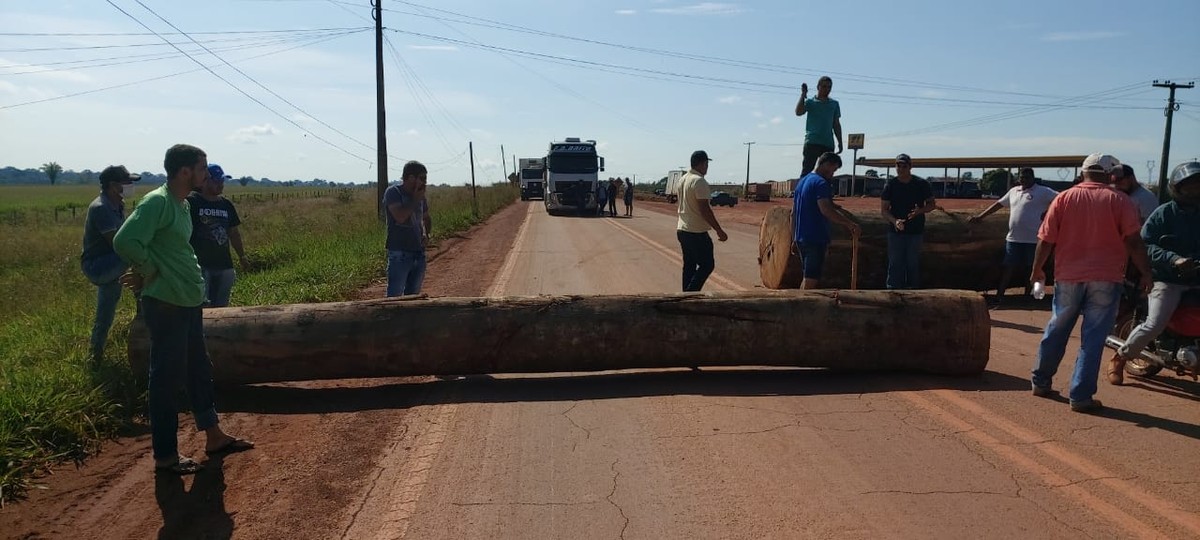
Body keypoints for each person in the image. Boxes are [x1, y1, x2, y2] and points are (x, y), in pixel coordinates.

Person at [113, 144, 253, 474]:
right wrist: (147, 268)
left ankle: (214, 436)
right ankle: (166, 457)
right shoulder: (158, 202)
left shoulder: (182, 205)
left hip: (188, 300)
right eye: (203, 170)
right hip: (166, 303)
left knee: (198, 369)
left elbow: (175, 249)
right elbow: (124, 240)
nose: (207, 175)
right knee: (165, 378)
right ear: (185, 171)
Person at [1028, 153, 1152, 413]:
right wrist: (1146, 273)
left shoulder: (1063, 198)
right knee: (1093, 338)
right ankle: (1081, 396)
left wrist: (1037, 270)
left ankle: (1041, 381)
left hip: (1068, 276)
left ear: (1084, 172)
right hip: (1106, 278)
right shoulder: (1121, 200)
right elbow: (1133, 241)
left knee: (1057, 328)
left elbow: (1046, 239)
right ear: (1110, 174)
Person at [1107, 161, 1200, 384]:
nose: (1195, 191)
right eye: (1190, 187)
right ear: (1177, 188)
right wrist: (1174, 259)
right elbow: (1145, 244)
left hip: (1197, 278)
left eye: (1198, 186)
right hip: (1168, 279)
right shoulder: (1164, 213)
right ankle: (1120, 358)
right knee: (1155, 323)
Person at [969, 167, 1058, 304]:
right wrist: (981, 217)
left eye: (1027, 177)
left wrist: (1048, 212)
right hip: (1014, 238)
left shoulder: (1043, 191)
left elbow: (1060, 199)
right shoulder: (1013, 191)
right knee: (1008, 267)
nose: (1024, 180)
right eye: (1021, 177)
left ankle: (1028, 296)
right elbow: (998, 204)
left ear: (1033, 178)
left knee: (1032, 268)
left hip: (1034, 239)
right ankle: (1000, 294)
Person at [80, 165, 140, 363]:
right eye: (127, 182)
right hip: (99, 266)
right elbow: (118, 244)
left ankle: (95, 354)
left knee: (106, 310)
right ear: (114, 186)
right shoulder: (101, 208)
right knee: (138, 259)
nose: (131, 186)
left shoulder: (117, 204)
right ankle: (95, 355)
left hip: (112, 262)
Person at [792, 152, 861, 289]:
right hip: (814, 238)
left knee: (808, 277)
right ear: (826, 164)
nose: (832, 174)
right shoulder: (820, 183)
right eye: (833, 169)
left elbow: (793, 214)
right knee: (811, 279)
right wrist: (849, 223)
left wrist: (794, 237)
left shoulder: (802, 182)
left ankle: (801, 305)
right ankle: (801, 307)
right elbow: (826, 210)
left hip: (802, 238)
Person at [187, 164, 249, 308]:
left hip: (224, 265)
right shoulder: (192, 202)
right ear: (204, 181)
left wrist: (242, 256)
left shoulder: (226, 204)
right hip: (200, 266)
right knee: (202, 307)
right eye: (216, 181)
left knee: (222, 308)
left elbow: (234, 233)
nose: (221, 185)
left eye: (222, 181)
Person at [880, 153, 935, 289]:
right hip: (895, 231)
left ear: (910, 167)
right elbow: (884, 210)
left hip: (915, 230)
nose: (901, 169)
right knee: (895, 262)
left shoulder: (921, 184)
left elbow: (931, 204)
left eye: (904, 166)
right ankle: (892, 291)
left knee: (913, 263)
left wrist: (919, 211)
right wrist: (895, 221)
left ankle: (913, 290)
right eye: (898, 165)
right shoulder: (890, 185)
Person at [676, 150, 728, 291]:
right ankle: (691, 294)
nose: (707, 167)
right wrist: (719, 230)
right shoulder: (699, 181)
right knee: (707, 265)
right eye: (706, 164)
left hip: (682, 229)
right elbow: (705, 209)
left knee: (689, 265)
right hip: (696, 232)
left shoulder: (683, 179)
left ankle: (685, 298)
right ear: (701, 164)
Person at [383, 160, 432, 296]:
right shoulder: (393, 192)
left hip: (418, 253)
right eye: (422, 178)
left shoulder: (420, 197)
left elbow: (426, 217)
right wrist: (416, 199)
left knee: (413, 298)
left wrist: (427, 234)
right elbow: (400, 216)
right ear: (411, 178)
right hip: (400, 254)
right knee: (395, 297)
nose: (424, 183)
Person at [794, 76, 843, 178]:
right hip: (812, 142)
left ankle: (824, 192)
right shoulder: (811, 102)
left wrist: (840, 141)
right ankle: (802, 192)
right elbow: (798, 112)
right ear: (818, 87)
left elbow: (836, 124)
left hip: (827, 143)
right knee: (807, 170)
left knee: (827, 172)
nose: (827, 89)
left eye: (829, 87)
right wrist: (803, 95)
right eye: (824, 86)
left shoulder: (834, 104)